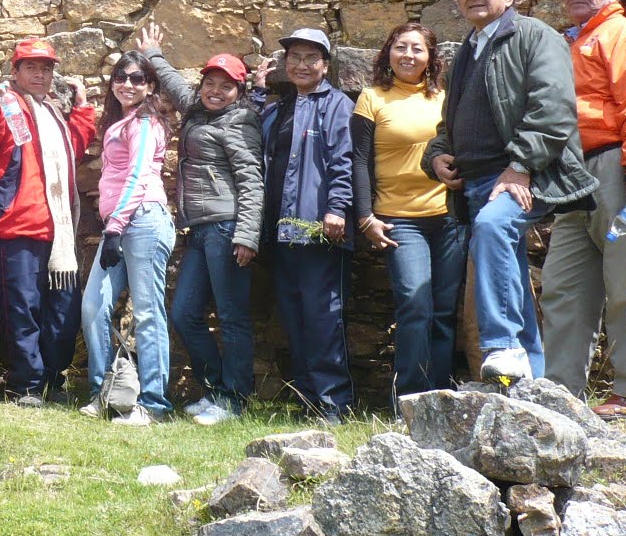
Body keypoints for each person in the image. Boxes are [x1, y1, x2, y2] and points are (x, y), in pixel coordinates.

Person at [421, 0, 595, 384]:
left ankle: (503, 345)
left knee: (493, 228)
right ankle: (532, 378)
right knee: (508, 268)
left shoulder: (535, 36)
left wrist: (521, 166)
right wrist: (437, 155)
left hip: (523, 173)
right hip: (476, 180)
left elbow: (553, 109)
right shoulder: (467, 50)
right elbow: (449, 123)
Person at [541, 0, 626, 420]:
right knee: (563, 285)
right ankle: (559, 394)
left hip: (618, 166)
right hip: (575, 174)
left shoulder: (625, 35)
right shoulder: (572, 42)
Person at [138, 22, 263, 425]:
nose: (216, 91)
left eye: (226, 86)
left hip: (227, 228)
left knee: (231, 316)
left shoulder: (239, 123)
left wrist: (247, 235)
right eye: (210, 82)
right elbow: (176, 86)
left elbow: (251, 180)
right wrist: (154, 55)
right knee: (185, 314)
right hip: (199, 230)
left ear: (239, 92)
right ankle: (214, 390)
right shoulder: (198, 109)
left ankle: (234, 400)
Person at [0, 37, 95, 407]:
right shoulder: (8, 103)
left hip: (58, 231)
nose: (40, 74)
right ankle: (26, 385)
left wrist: (82, 109)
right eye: (31, 67)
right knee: (21, 310)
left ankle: (53, 381)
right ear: (16, 71)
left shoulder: (53, 112)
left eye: (45, 68)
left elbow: (72, 148)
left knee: (63, 312)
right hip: (17, 226)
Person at [352, 22, 463, 401]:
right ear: (389, 53)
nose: (408, 55)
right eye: (401, 47)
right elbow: (359, 161)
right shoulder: (372, 98)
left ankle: (441, 399)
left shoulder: (445, 99)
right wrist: (365, 216)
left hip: (447, 217)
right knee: (415, 305)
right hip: (398, 219)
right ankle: (412, 401)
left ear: (431, 58)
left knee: (444, 311)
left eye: (418, 49)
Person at [253, 27, 357, 423]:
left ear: (325, 65)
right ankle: (308, 400)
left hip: (318, 229)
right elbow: (252, 136)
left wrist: (337, 208)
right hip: (281, 231)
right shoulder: (278, 108)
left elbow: (343, 159)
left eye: (311, 58)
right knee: (294, 317)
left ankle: (333, 403)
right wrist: (257, 93)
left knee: (322, 316)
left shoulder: (336, 105)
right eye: (294, 57)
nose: (301, 64)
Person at [78, 50, 176, 426]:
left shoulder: (146, 122)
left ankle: (154, 405)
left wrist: (115, 227)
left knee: (148, 313)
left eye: (137, 79)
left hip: (143, 221)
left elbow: (138, 175)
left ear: (149, 86)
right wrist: (113, 227)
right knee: (94, 306)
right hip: (118, 226)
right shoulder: (120, 122)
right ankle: (104, 393)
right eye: (121, 77)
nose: (128, 84)